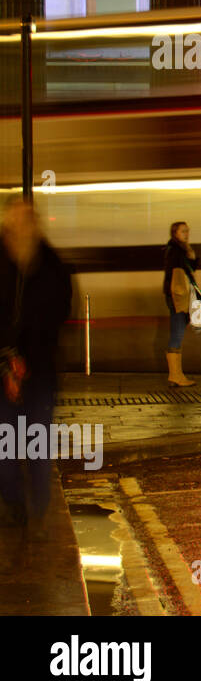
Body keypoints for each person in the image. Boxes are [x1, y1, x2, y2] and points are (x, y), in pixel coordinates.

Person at [0, 197, 73, 538]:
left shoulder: (52, 265)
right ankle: (15, 505)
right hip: (2, 371)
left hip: (40, 370)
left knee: (37, 442)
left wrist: (30, 356)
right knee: (6, 444)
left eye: (26, 220)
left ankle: (40, 504)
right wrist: (8, 358)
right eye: (15, 221)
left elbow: (59, 313)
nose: (20, 227)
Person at [163, 221, 199, 388]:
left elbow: (191, 269)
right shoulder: (175, 251)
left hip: (180, 296)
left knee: (178, 333)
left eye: (188, 231)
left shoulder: (180, 250)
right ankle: (175, 375)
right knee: (177, 334)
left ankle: (176, 375)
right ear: (175, 233)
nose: (187, 234)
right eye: (183, 231)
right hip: (178, 297)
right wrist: (180, 299)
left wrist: (192, 256)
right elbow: (178, 276)